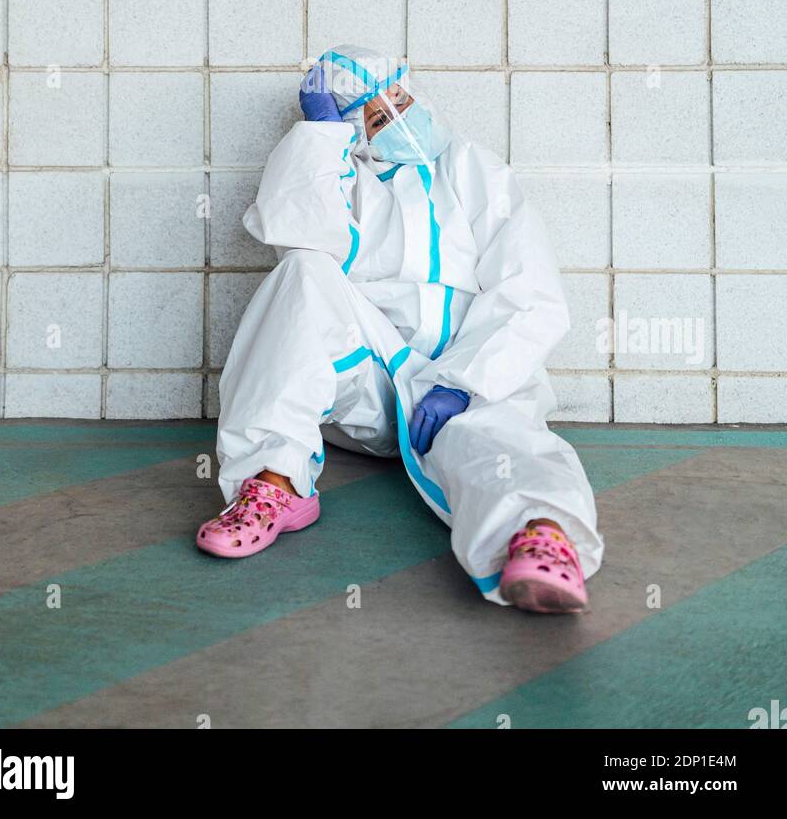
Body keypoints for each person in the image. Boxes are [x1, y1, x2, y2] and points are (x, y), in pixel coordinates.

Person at [197, 45, 604, 614]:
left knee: (502, 442)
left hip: (471, 382)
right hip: (373, 386)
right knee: (303, 271)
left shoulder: (472, 169)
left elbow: (531, 291)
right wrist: (318, 140)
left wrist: (465, 380)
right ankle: (274, 481)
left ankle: (540, 538)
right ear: (354, 134)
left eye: (404, 99)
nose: (402, 119)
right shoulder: (345, 180)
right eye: (380, 117)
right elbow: (293, 234)